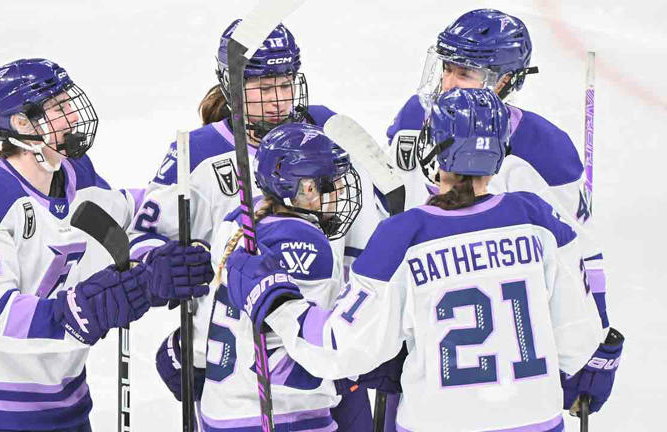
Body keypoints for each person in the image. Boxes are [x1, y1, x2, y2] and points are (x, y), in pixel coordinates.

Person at [223, 89, 621, 431]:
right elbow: (579, 341)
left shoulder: (404, 235)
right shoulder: (539, 217)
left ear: (436, 148)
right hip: (537, 421)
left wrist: (276, 303)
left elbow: (340, 349)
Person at [0, 58, 213, 432]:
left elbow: (120, 224)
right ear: (22, 124)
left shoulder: (75, 172)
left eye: (68, 101)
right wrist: (96, 305)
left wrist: (152, 263)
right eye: (58, 107)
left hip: (63, 405)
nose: (73, 114)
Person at [139, 20, 379, 430]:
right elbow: (143, 234)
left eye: (285, 85)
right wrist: (163, 264)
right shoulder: (198, 152)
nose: (277, 101)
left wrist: (371, 325)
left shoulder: (325, 135)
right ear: (231, 85)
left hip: (328, 347)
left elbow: (365, 239)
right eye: (263, 89)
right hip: (240, 371)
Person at [385, 8, 618, 420]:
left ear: (505, 80)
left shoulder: (546, 149)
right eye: (447, 69)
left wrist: (595, 343)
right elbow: (392, 214)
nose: (447, 83)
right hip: (423, 335)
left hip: (511, 350)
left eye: (464, 73)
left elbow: (581, 252)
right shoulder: (415, 118)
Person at [194, 122, 363, 430]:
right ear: (308, 188)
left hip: (222, 408)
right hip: (283, 417)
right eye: (334, 183)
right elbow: (302, 361)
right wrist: (356, 363)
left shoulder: (237, 221)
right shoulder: (305, 241)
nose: (340, 192)